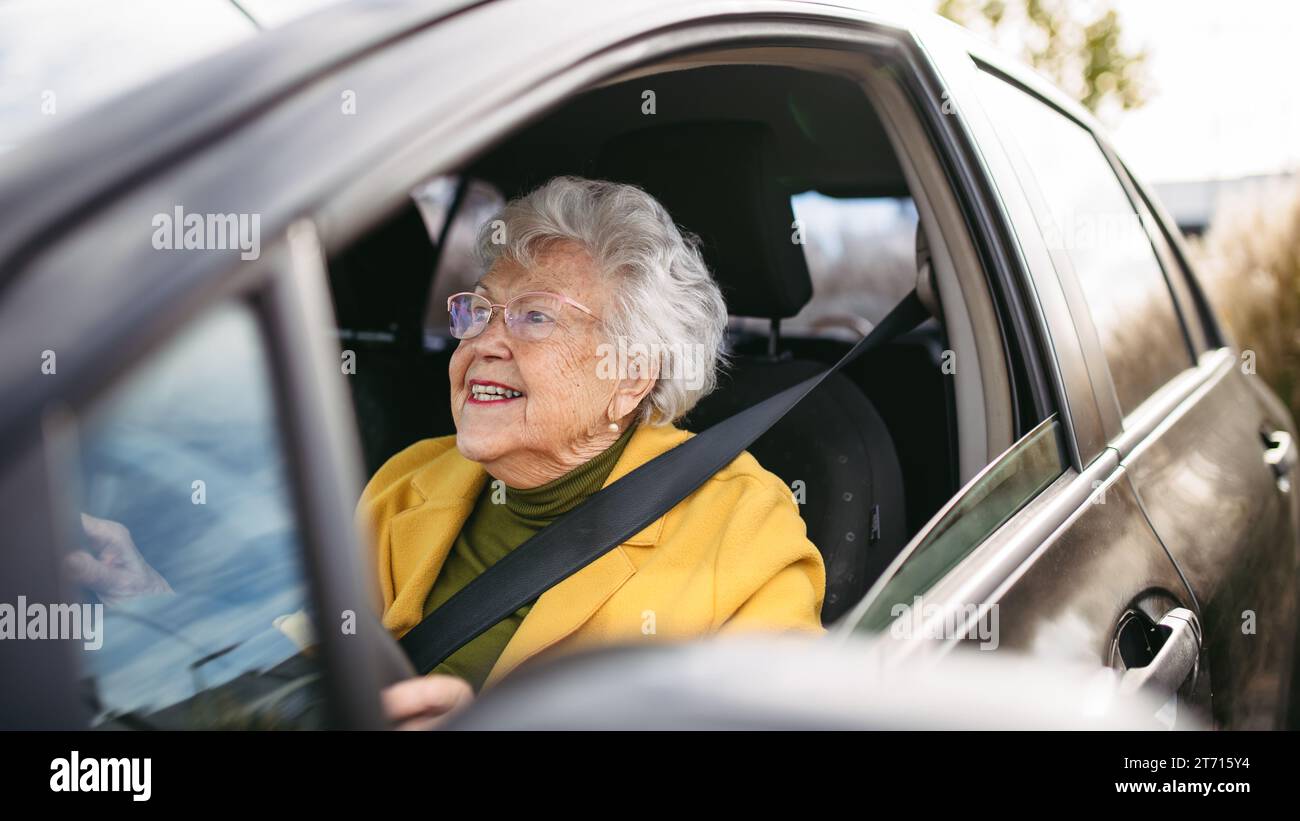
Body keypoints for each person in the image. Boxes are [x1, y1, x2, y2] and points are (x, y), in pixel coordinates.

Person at [361, 176, 826, 729]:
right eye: (480, 311)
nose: (484, 342)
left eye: (535, 317)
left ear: (632, 374)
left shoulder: (745, 527)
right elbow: (299, 675)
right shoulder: (407, 481)